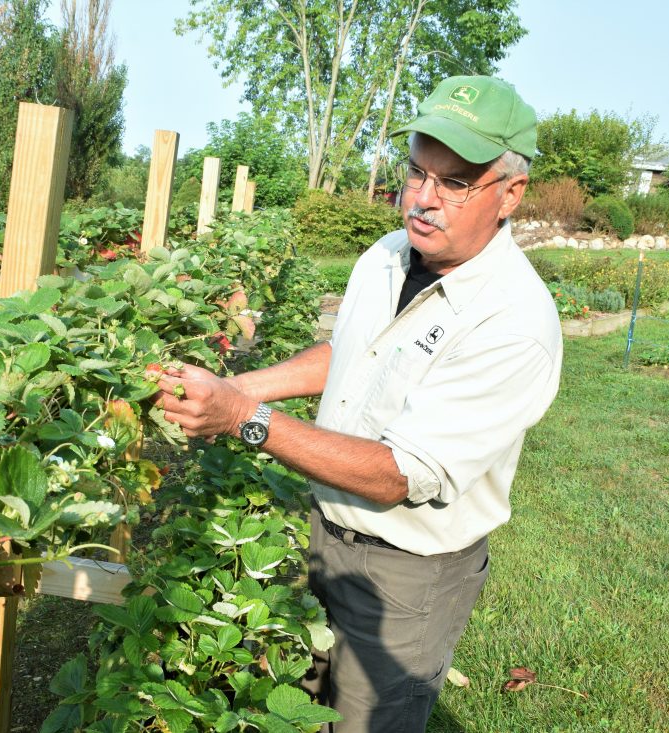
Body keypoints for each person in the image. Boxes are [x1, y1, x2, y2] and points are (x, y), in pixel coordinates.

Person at [155, 75, 563, 732]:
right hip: (324, 537)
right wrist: (244, 386)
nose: (423, 199)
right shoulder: (387, 256)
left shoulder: (513, 324)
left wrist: (240, 417)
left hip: (405, 583)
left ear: (511, 192)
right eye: (416, 172)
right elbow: (350, 357)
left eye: (454, 182)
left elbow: (396, 473)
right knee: (298, 706)